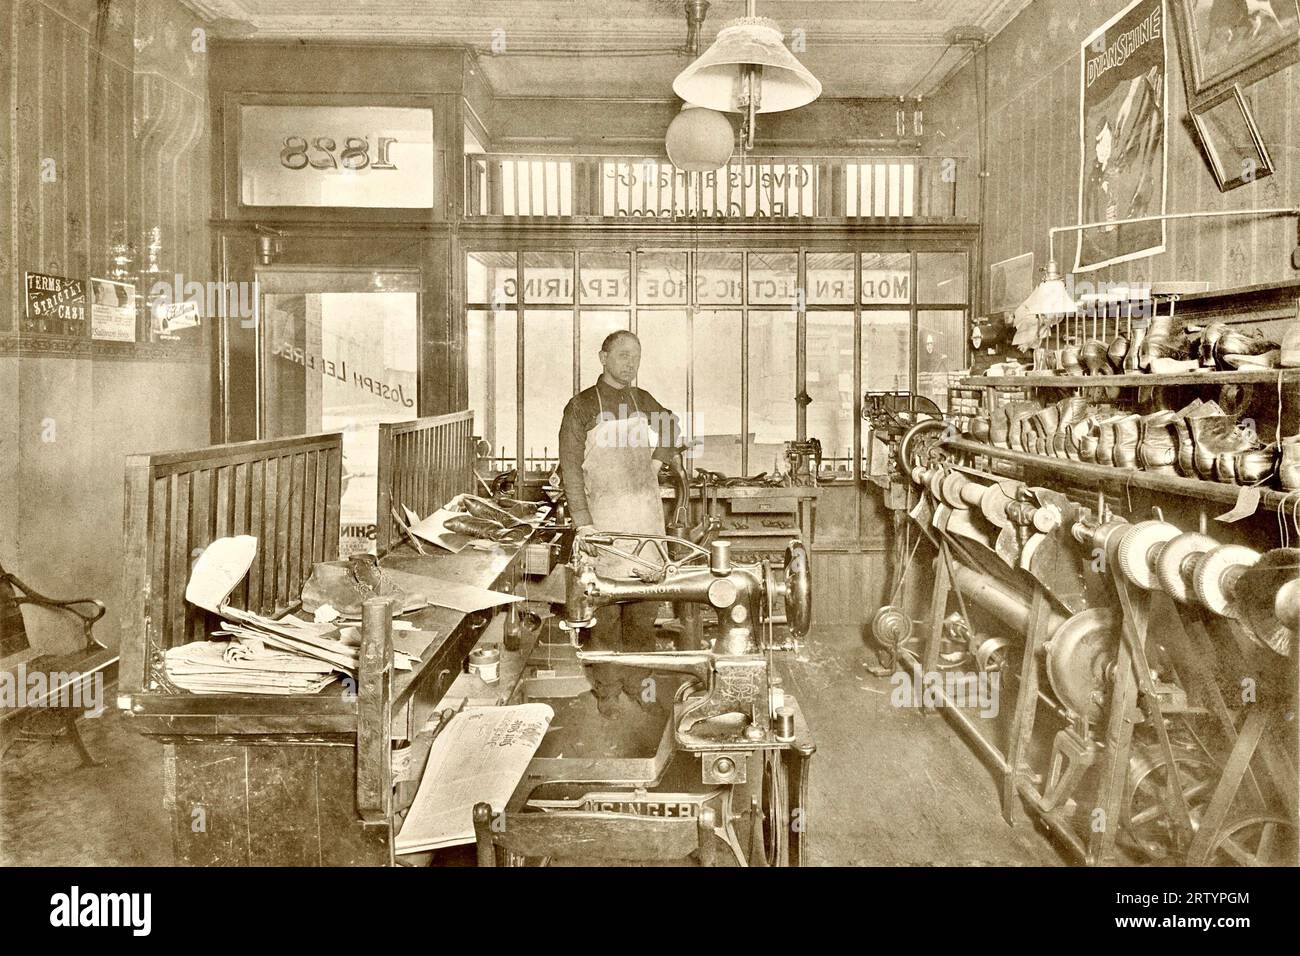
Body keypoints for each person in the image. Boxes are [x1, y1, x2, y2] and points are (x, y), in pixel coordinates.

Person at [558, 330, 685, 717]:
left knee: (644, 614)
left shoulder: (641, 400)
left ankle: (639, 685)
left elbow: (672, 426)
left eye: (636, 356)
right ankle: (608, 692)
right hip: (604, 526)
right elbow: (570, 470)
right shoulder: (581, 406)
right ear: (603, 357)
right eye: (623, 355)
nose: (631, 363)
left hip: (644, 522)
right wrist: (583, 523)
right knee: (605, 617)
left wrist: (656, 462)